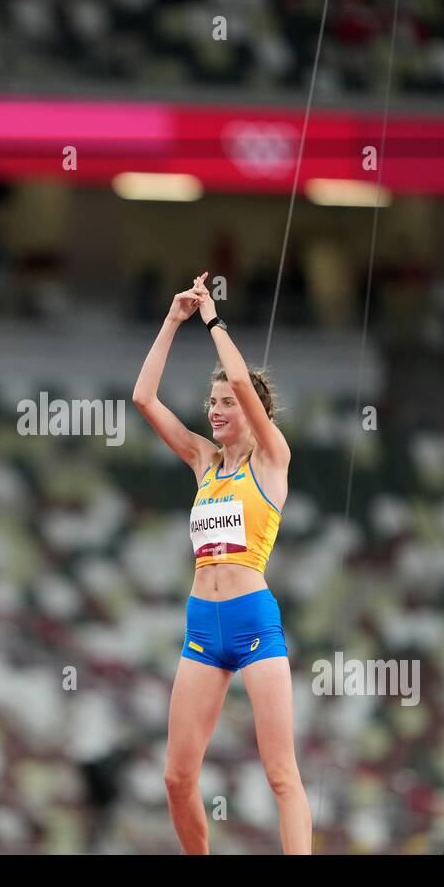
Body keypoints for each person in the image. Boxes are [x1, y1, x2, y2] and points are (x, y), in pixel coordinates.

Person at [132, 271, 312, 854]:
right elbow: (143, 398)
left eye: (227, 403)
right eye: (211, 402)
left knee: (280, 772)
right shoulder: (204, 461)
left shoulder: (272, 459)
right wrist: (172, 320)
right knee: (177, 777)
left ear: (252, 408)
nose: (215, 410)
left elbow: (238, 372)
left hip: (252, 620)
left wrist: (211, 318)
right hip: (201, 626)